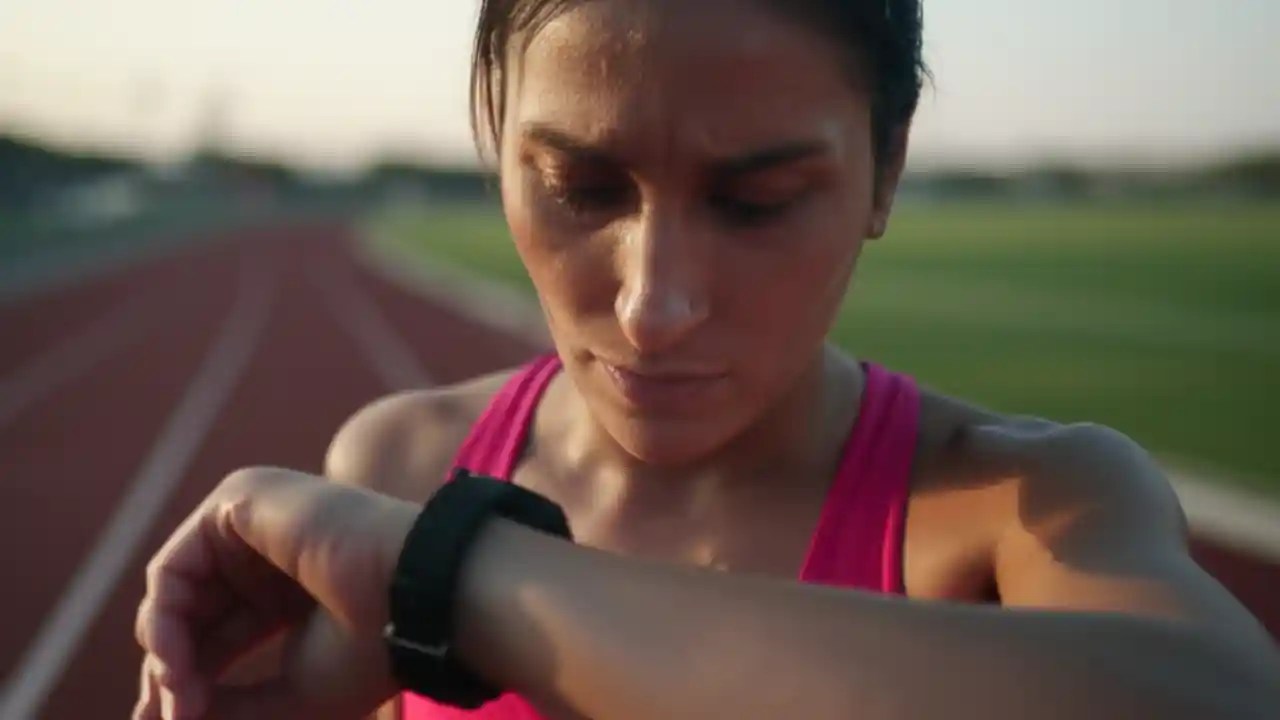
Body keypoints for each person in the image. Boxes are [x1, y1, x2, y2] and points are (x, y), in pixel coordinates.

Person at [133, 0, 1280, 718]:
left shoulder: (1015, 513)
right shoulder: (397, 458)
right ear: (494, 139)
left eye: (756, 200)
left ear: (884, 172)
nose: (651, 307)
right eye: (579, 188)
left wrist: (449, 578)